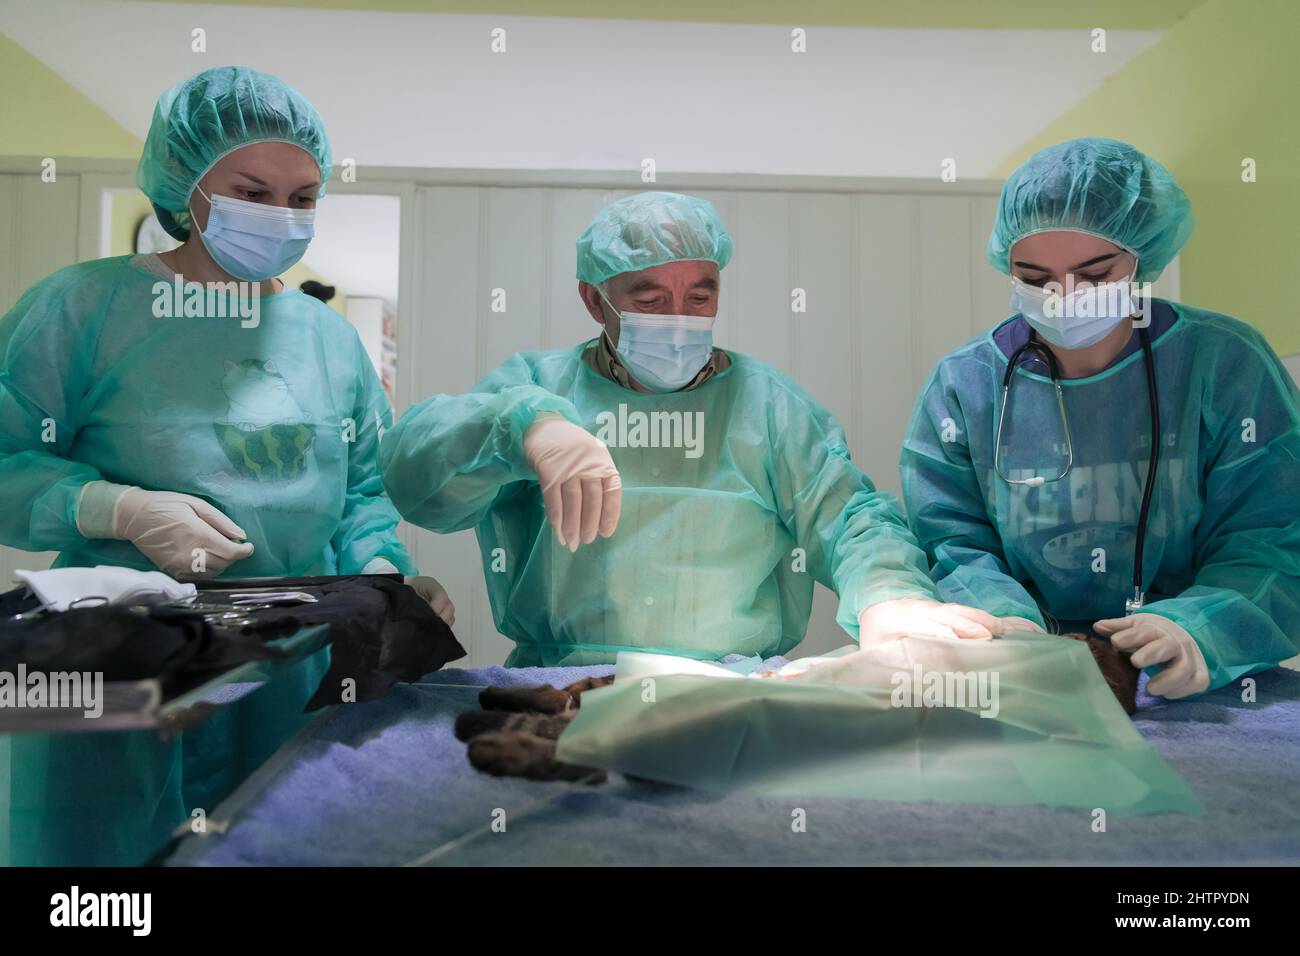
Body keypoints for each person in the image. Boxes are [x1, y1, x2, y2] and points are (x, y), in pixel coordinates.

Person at [0, 66, 450, 864]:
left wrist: (382, 574)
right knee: (102, 883)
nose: (281, 216)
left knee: (280, 844)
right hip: (117, 655)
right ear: (187, 183)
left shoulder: (325, 338)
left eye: (303, 198)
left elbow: (363, 493)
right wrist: (114, 508)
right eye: (253, 191)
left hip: (292, 665)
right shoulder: (82, 307)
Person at [381, 191, 1008, 667]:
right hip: (564, 686)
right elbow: (417, 483)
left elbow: (851, 519)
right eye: (649, 300)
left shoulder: (768, 406)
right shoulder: (539, 388)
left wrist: (888, 595)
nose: (678, 319)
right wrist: (520, 428)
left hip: (733, 689)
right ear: (593, 300)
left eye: (700, 297)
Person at [901, 137, 1300, 699]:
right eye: (1034, 278)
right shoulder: (967, 384)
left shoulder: (1223, 362)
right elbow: (950, 541)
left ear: (1143, 255)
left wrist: (1198, 629)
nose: (1063, 297)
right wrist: (1002, 623)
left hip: (1196, 679)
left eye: (1093, 275)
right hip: (1024, 676)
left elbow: (1273, 535)